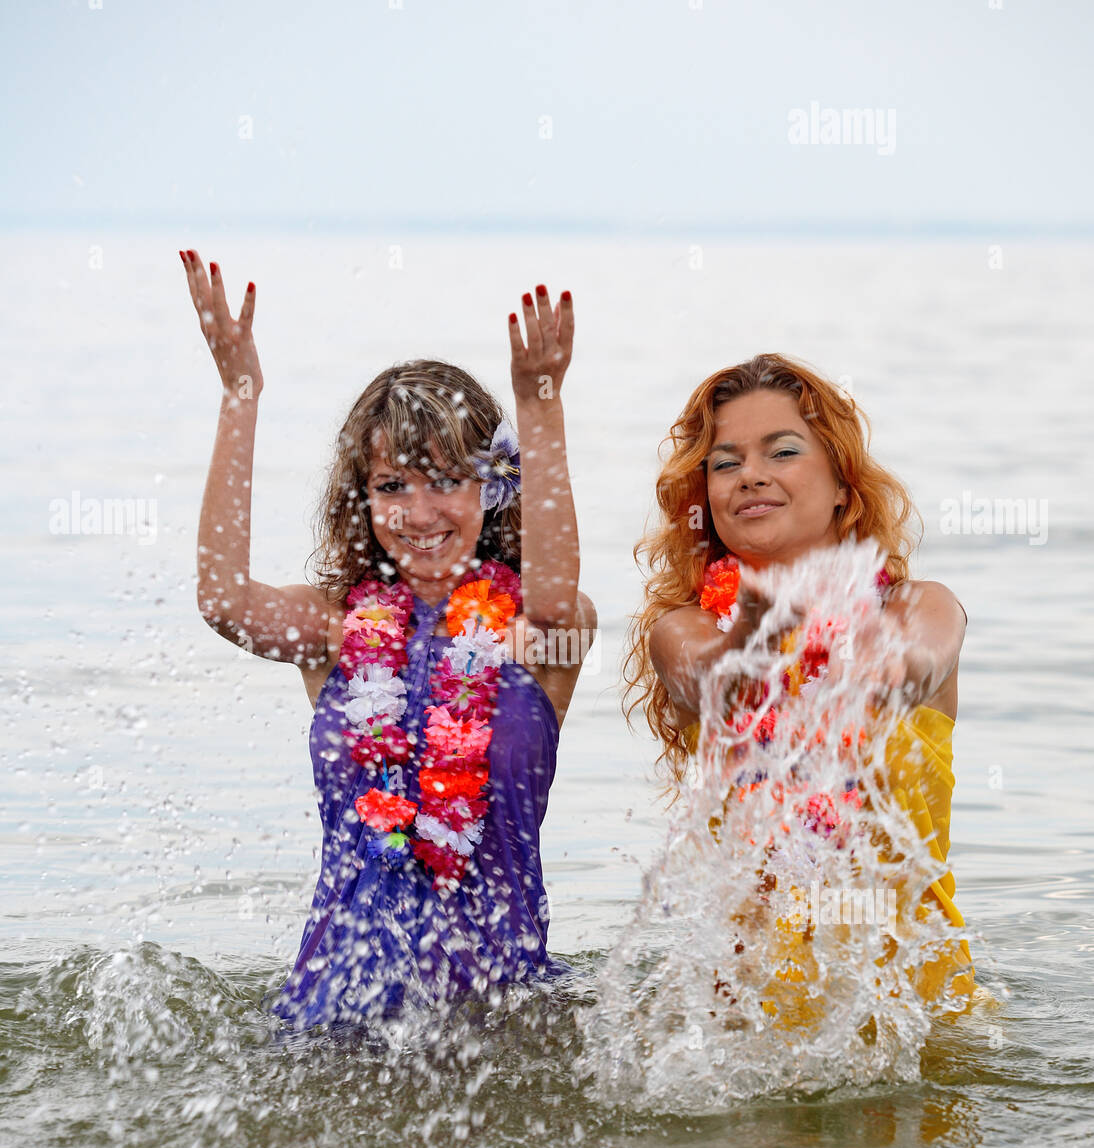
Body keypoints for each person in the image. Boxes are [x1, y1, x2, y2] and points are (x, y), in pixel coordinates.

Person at [179, 250, 596, 1029]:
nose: (418, 511)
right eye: (390, 486)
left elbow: (554, 599)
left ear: (494, 487)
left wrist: (538, 409)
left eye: (446, 479)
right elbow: (223, 601)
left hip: (502, 1027)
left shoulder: (539, 637)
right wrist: (241, 394)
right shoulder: (335, 630)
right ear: (361, 498)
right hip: (336, 1018)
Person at [622, 352, 977, 1031]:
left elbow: (925, 657)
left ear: (844, 484)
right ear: (707, 502)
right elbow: (714, 680)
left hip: (915, 1014)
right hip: (739, 1025)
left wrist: (882, 667)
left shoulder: (916, 607)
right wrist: (753, 637)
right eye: (725, 463)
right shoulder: (683, 627)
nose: (751, 474)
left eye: (782, 452)